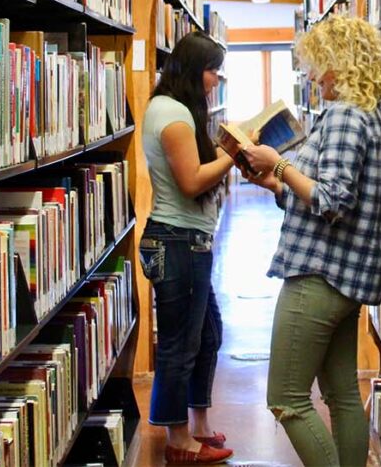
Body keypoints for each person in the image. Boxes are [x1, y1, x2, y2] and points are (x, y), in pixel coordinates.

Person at [242, 16, 381, 467]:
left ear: (341, 63)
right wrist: (277, 185)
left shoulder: (346, 116)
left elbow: (332, 200)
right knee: (342, 391)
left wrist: (281, 165)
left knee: (286, 398)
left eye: (317, 64)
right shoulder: (367, 116)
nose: (310, 75)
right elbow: (327, 194)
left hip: (320, 277)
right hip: (343, 275)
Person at [140, 31, 236, 464]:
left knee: (209, 335)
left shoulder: (174, 108)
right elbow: (192, 180)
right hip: (178, 242)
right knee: (180, 342)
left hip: (188, 241)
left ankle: (197, 424)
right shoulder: (174, 115)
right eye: (214, 71)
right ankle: (178, 438)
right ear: (196, 70)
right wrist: (233, 155)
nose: (217, 80)